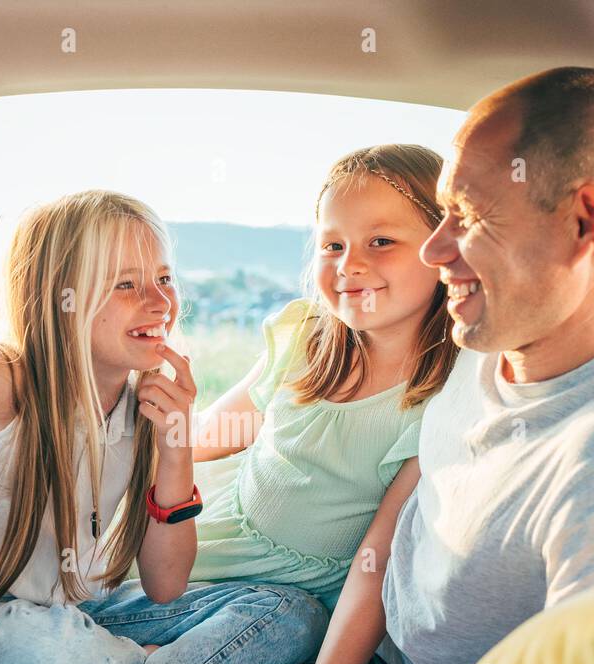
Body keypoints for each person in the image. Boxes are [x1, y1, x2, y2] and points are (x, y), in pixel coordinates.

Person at [278, 66, 594, 664]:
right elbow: (401, 519)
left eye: (470, 216)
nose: (434, 249)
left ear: (584, 222)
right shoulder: (500, 336)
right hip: (374, 653)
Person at [0, 191, 329, 664]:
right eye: (126, 285)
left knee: (294, 613)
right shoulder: (2, 377)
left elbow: (167, 585)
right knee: (40, 656)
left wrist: (176, 445)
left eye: (165, 277)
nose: (160, 302)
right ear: (60, 299)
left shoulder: (140, 401)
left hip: (82, 613)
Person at [188, 144, 465, 611]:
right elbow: (200, 439)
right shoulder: (304, 342)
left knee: (285, 620)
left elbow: (376, 562)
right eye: (332, 245)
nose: (348, 265)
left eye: (381, 241)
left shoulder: (440, 402)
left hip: (283, 602)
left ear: (443, 249)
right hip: (205, 553)